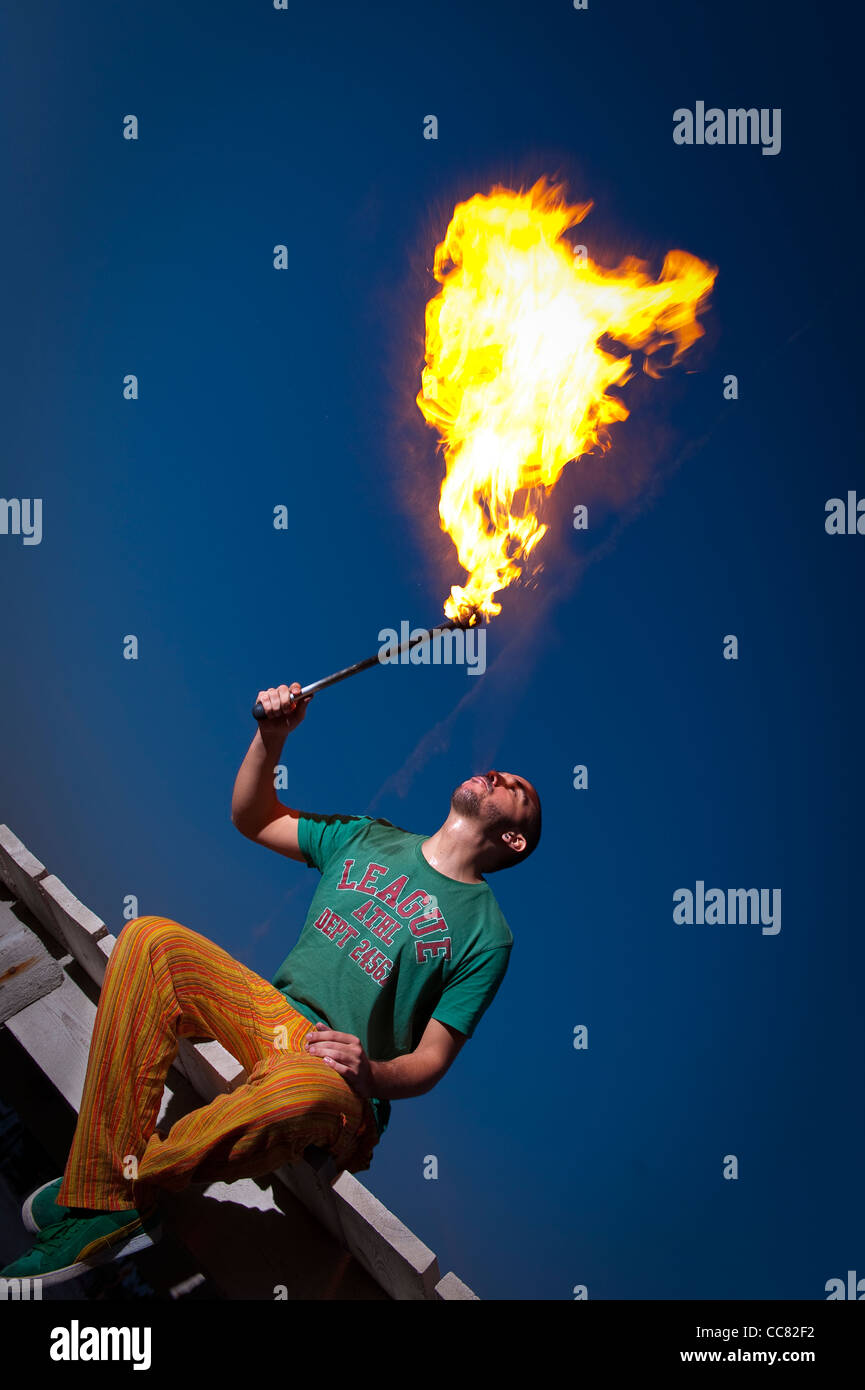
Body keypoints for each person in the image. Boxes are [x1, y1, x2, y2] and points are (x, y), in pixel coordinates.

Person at [1, 681, 541, 1289]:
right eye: (497, 771)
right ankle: (106, 1194)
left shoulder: (488, 933)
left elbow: (433, 1058)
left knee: (298, 1090)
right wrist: (271, 737)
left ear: (514, 839)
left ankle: (106, 1187)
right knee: (152, 943)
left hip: (336, 1076)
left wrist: (371, 1074)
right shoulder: (369, 836)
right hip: (270, 1014)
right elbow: (253, 818)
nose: (497, 776)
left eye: (515, 788)